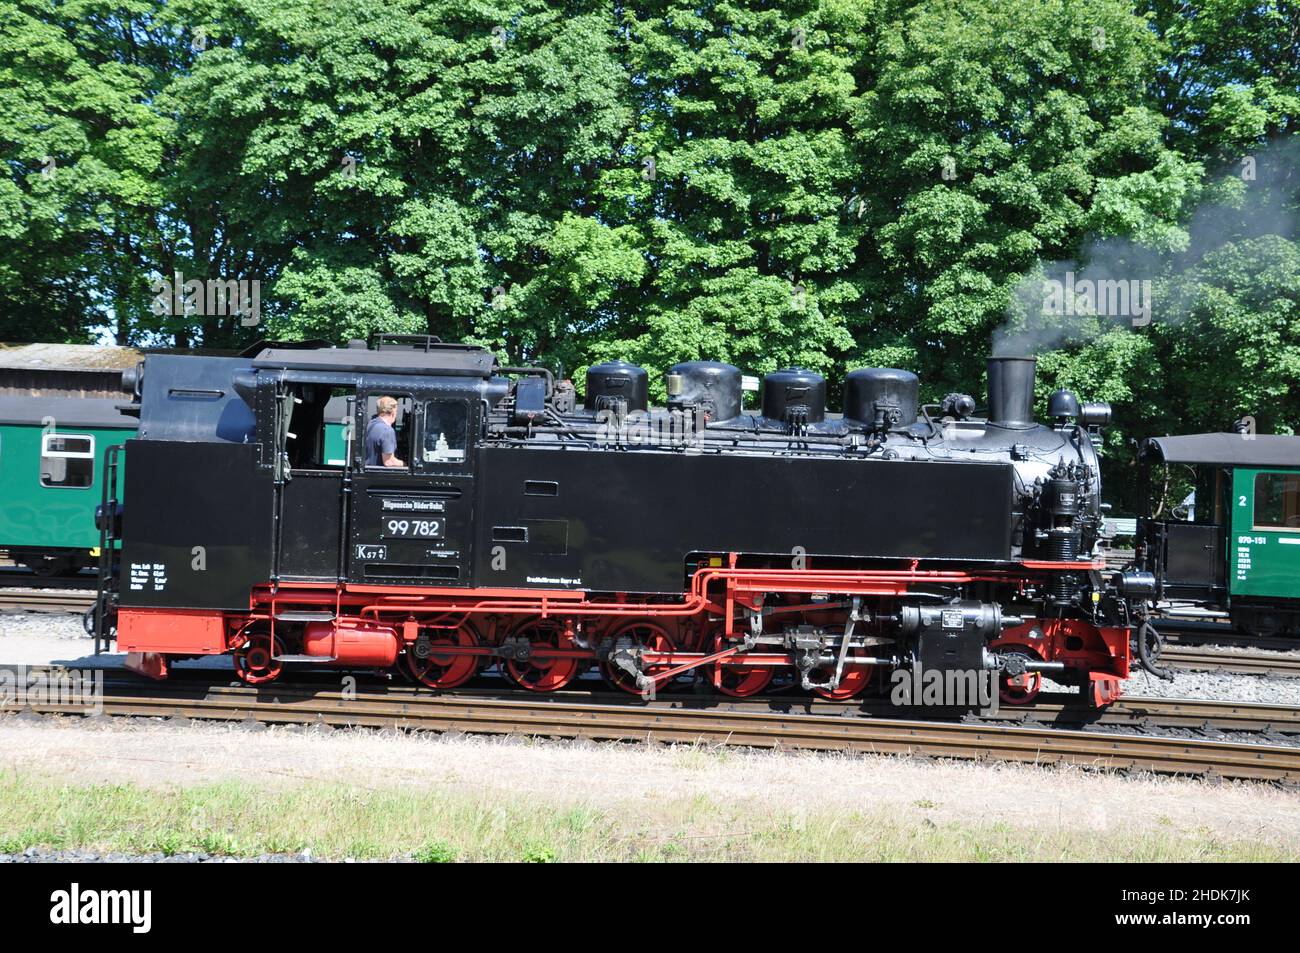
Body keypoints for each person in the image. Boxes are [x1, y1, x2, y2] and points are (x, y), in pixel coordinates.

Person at [364, 396, 405, 468]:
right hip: (378, 476)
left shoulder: (371, 424)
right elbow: (389, 462)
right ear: (393, 412)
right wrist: (404, 463)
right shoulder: (387, 431)